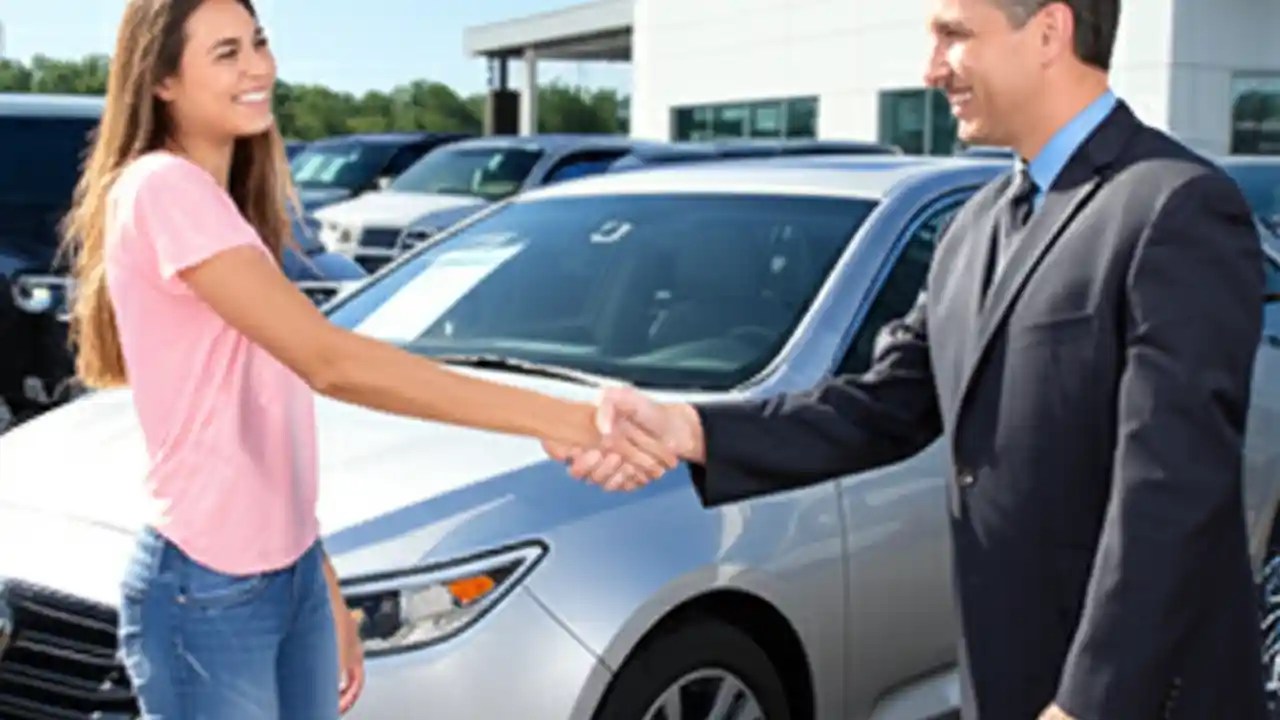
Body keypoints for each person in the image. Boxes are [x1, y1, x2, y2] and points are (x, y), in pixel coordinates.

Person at [553, 0, 1270, 718]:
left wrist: (1087, 703)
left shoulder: (1175, 207)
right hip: (1009, 681)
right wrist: (689, 428)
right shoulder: (974, 225)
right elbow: (882, 405)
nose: (930, 70)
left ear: (1050, 32)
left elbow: (1171, 492)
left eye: (953, 36)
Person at [61, 1, 674, 717]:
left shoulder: (221, 206)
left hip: (282, 574)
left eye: (258, 42)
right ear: (160, 80)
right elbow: (331, 361)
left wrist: (314, 575)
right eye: (226, 53)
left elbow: (260, 422)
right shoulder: (163, 188)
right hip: (209, 588)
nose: (258, 66)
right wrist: (568, 420)